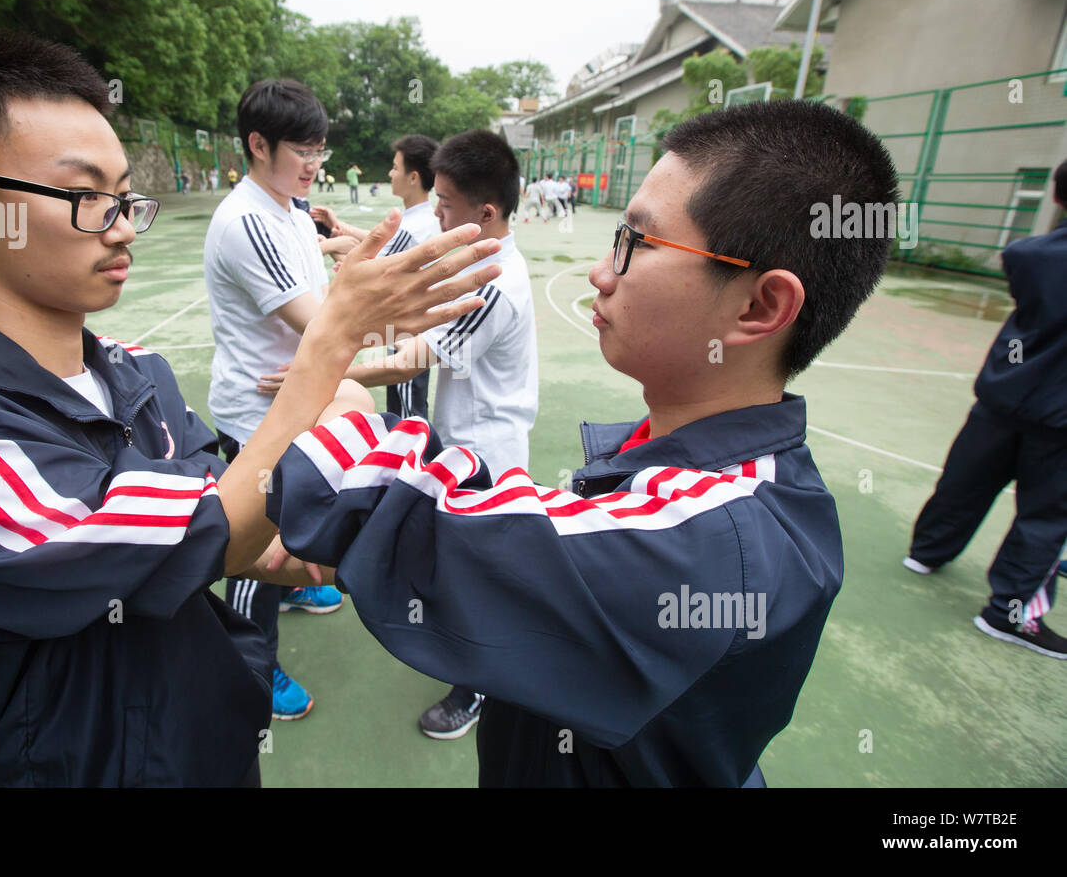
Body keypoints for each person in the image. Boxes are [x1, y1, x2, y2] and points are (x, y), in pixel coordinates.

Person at [0, 34, 502, 787]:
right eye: (84, 196)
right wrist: (334, 345)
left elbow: (241, 535)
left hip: (206, 743)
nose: (119, 226)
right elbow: (206, 534)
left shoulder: (133, 370)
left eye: (123, 197)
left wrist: (370, 553)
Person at [267, 100, 901, 785]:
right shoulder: (718, 480)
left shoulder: (700, 543)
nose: (602, 272)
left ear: (758, 307)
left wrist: (333, 368)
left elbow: (395, 515)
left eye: (638, 243)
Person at [331, 130, 539, 739]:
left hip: (487, 456)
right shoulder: (482, 262)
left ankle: (477, 688)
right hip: (468, 444)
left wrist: (324, 366)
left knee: (478, 574)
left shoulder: (494, 280)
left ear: (487, 213)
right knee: (461, 563)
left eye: (445, 204)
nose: (436, 214)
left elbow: (409, 360)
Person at [203, 79, 348, 719]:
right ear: (258, 145)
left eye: (320, 149)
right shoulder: (247, 221)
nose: (314, 163)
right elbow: (322, 326)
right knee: (249, 553)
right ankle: (247, 666)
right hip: (256, 414)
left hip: (290, 401)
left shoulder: (288, 207)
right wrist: (370, 324)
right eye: (302, 150)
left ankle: (289, 591)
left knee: (288, 521)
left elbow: (323, 311)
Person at [903, 159, 1067, 658]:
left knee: (965, 480)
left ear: (1056, 197)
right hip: (1060, 414)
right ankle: (1010, 614)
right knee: (1045, 516)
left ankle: (926, 553)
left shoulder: (1026, 253)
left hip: (1006, 390)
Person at [311, 134, 442, 420]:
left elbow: (372, 262)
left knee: (410, 415)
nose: (390, 173)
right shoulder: (417, 220)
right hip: (406, 328)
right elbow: (376, 243)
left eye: (395, 168)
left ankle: (415, 460)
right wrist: (339, 230)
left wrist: (328, 246)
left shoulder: (415, 227)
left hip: (410, 332)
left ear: (413, 177)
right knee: (404, 405)